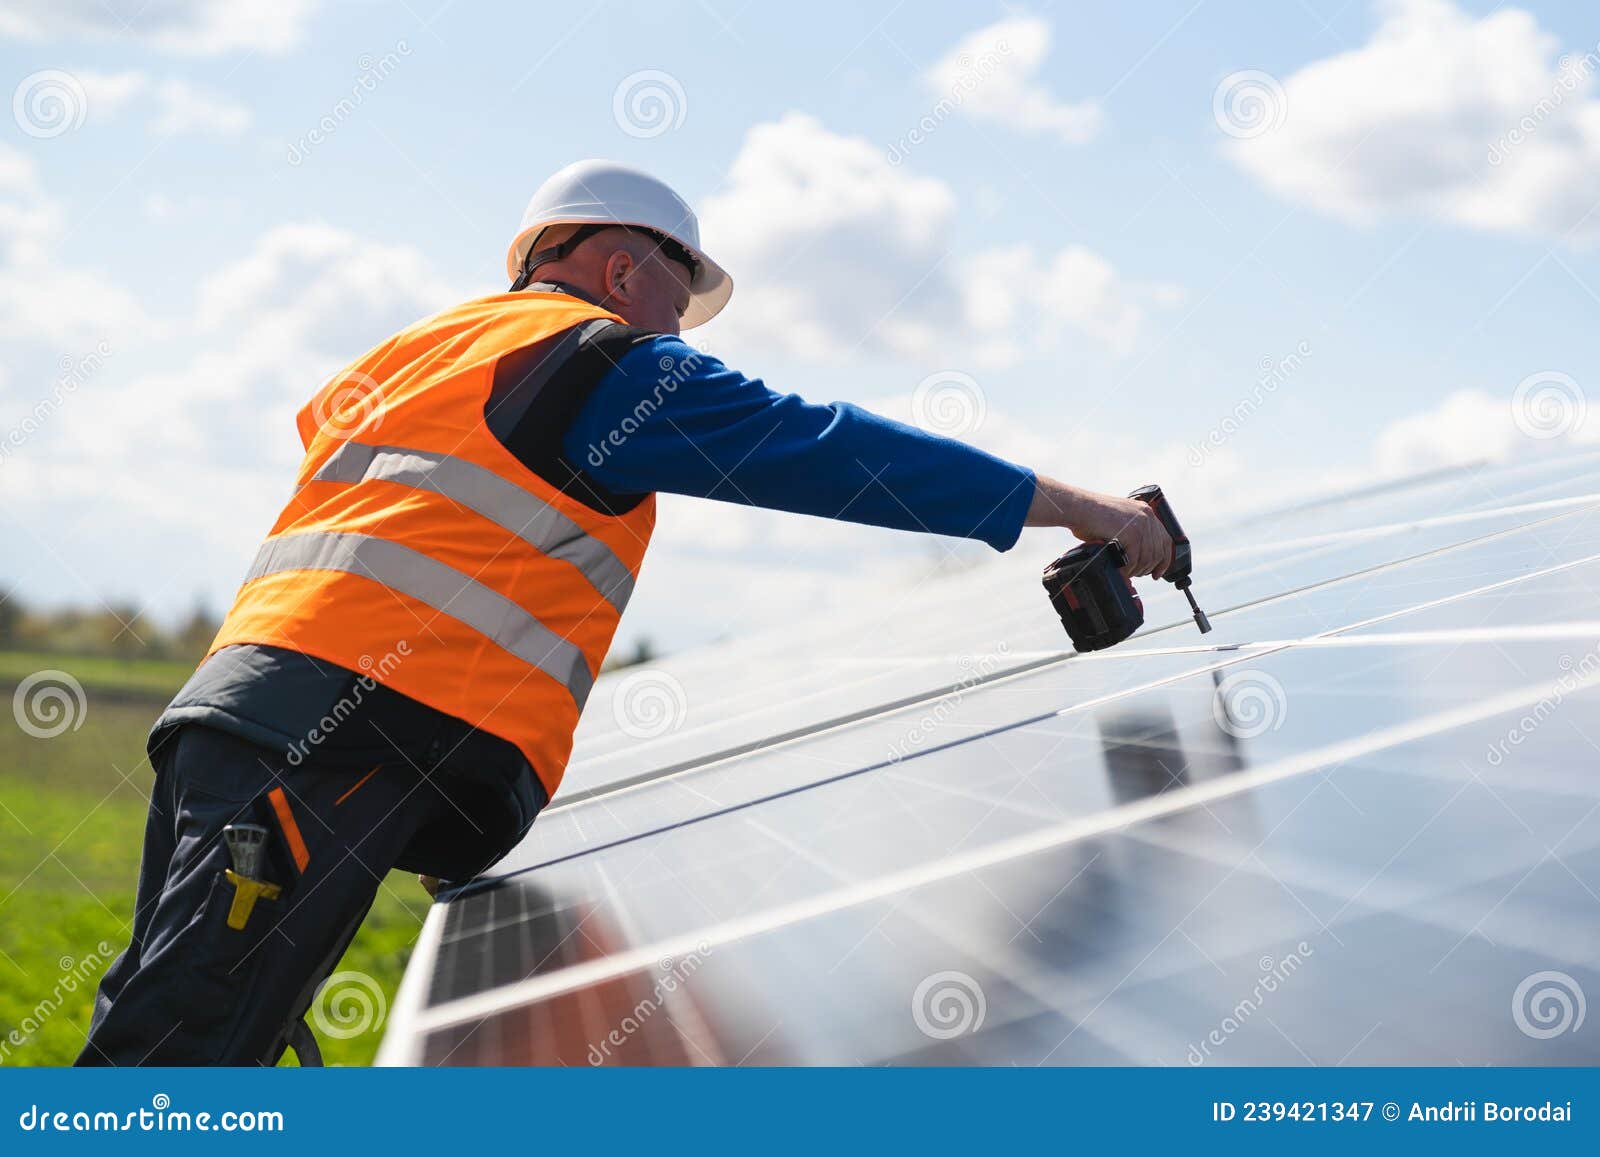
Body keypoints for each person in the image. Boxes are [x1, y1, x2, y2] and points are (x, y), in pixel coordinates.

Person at [79, 160, 1171, 1066]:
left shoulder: (415, 353)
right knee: (185, 1052)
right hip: (359, 730)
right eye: (680, 295)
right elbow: (831, 450)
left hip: (232, 721)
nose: (682, 329)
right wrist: (1080, 508)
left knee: (173, 1012)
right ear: (619, 267)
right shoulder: (596, 363)